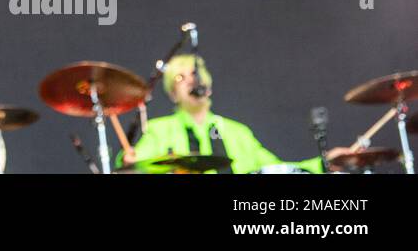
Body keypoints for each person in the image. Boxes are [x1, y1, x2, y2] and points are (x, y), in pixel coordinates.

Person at [117, 54, 352, 173]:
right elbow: (133, 164)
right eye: (181, 78)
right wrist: (127, 161)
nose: (191, 80)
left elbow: (278, 169)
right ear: (172, 94)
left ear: (208, 86)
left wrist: (324, 162)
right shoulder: (160, 130)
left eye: (194, 74)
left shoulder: (237, 132)